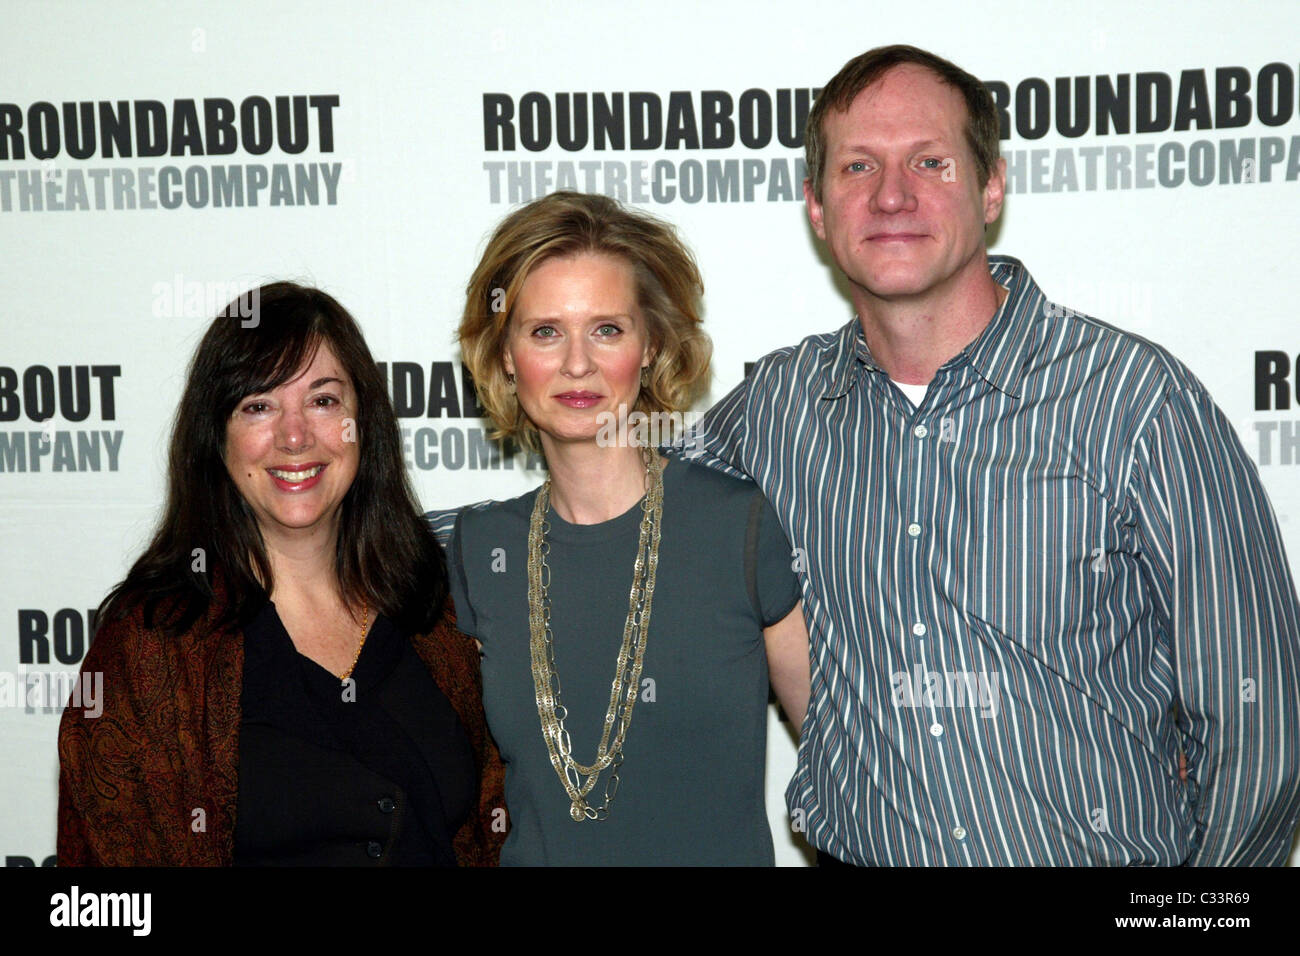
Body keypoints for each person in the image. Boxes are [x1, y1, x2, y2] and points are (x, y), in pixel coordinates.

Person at [680, 44, 1300, 865]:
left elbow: (1260, 720)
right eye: (859, 166)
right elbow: (617, 502)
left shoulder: (1133, 401)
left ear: (992, 186)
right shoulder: (780, 409)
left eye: (929, 162)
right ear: (818, 208)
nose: (892, 195)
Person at [58, 282, 504, 866]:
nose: (295, 437)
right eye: (259, 406)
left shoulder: (438, 611)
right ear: (216, 437)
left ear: (361, 424)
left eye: (323, 401)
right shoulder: (154, 643)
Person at [439, 190, 811, 865]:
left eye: (607, 329)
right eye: (545, 331)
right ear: (503, 357)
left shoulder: (740, 527)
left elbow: (843, 759)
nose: (577, 363)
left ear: (651, 348)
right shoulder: (477, 550)